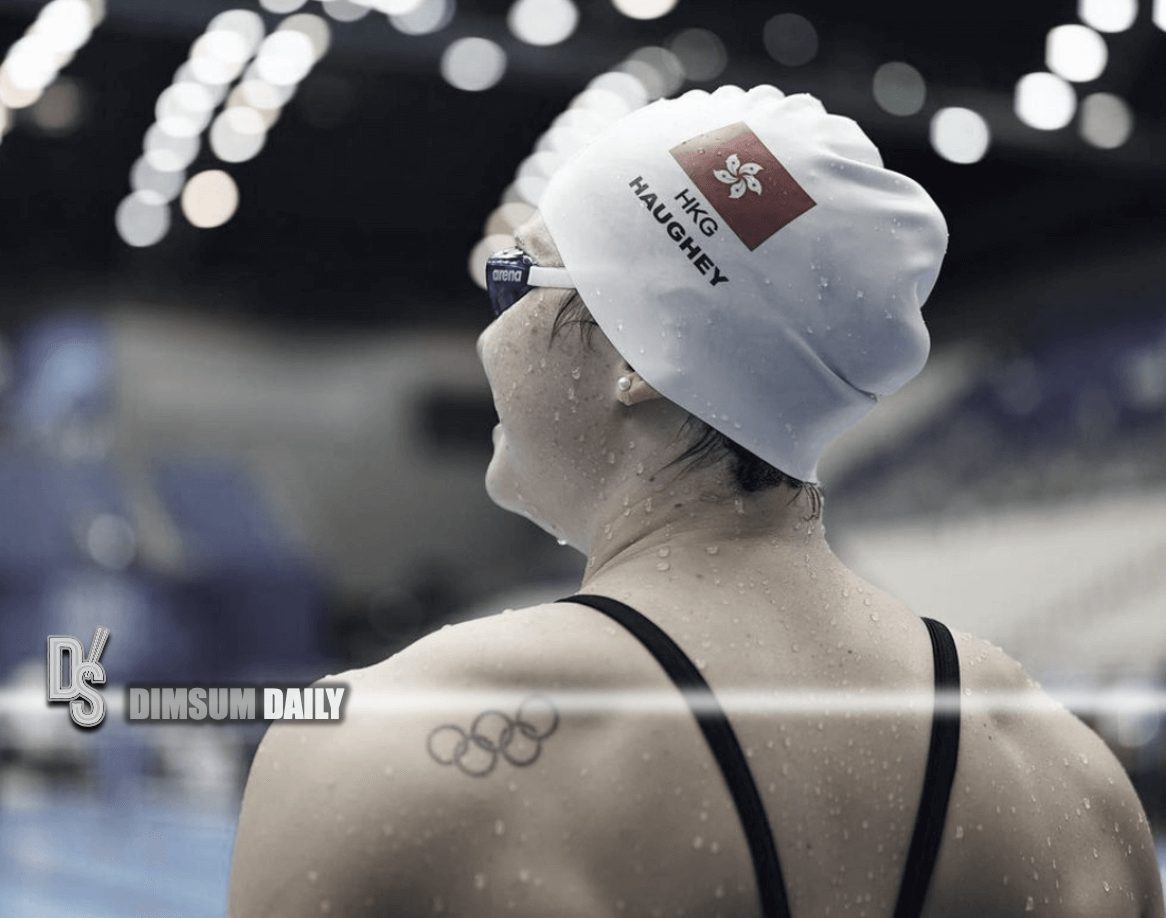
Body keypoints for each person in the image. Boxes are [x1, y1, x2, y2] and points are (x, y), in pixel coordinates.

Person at [229, 86, 1164, 917]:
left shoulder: (386, 752)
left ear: (642, 359)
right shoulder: (1070, 789)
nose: (486, 340)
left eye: (515, 280)